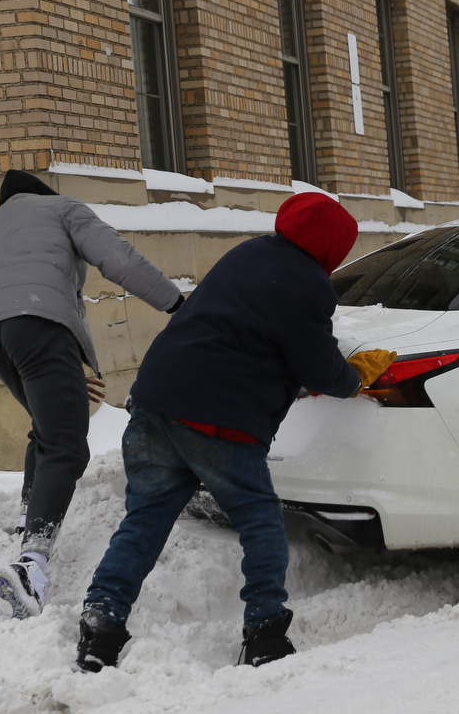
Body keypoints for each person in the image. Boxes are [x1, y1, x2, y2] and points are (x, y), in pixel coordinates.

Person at [77, 191, 395, 672]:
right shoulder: (308, 282)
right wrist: (353, 378)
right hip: (218, 418)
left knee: (144, 521)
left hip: (154, 401)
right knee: (260, 521)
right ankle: (265, 633)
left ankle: (101, 620)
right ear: (331, 245)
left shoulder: (248, 254)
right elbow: (316, 365)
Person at [0, 169, 184, 620]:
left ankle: (28, 515)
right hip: (39, 322)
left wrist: (28, 362)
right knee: (66, 444)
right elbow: (117, 258)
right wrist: (176, 303)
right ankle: (30, 566)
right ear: (42, 193)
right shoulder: (62, 208)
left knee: (47, 428)